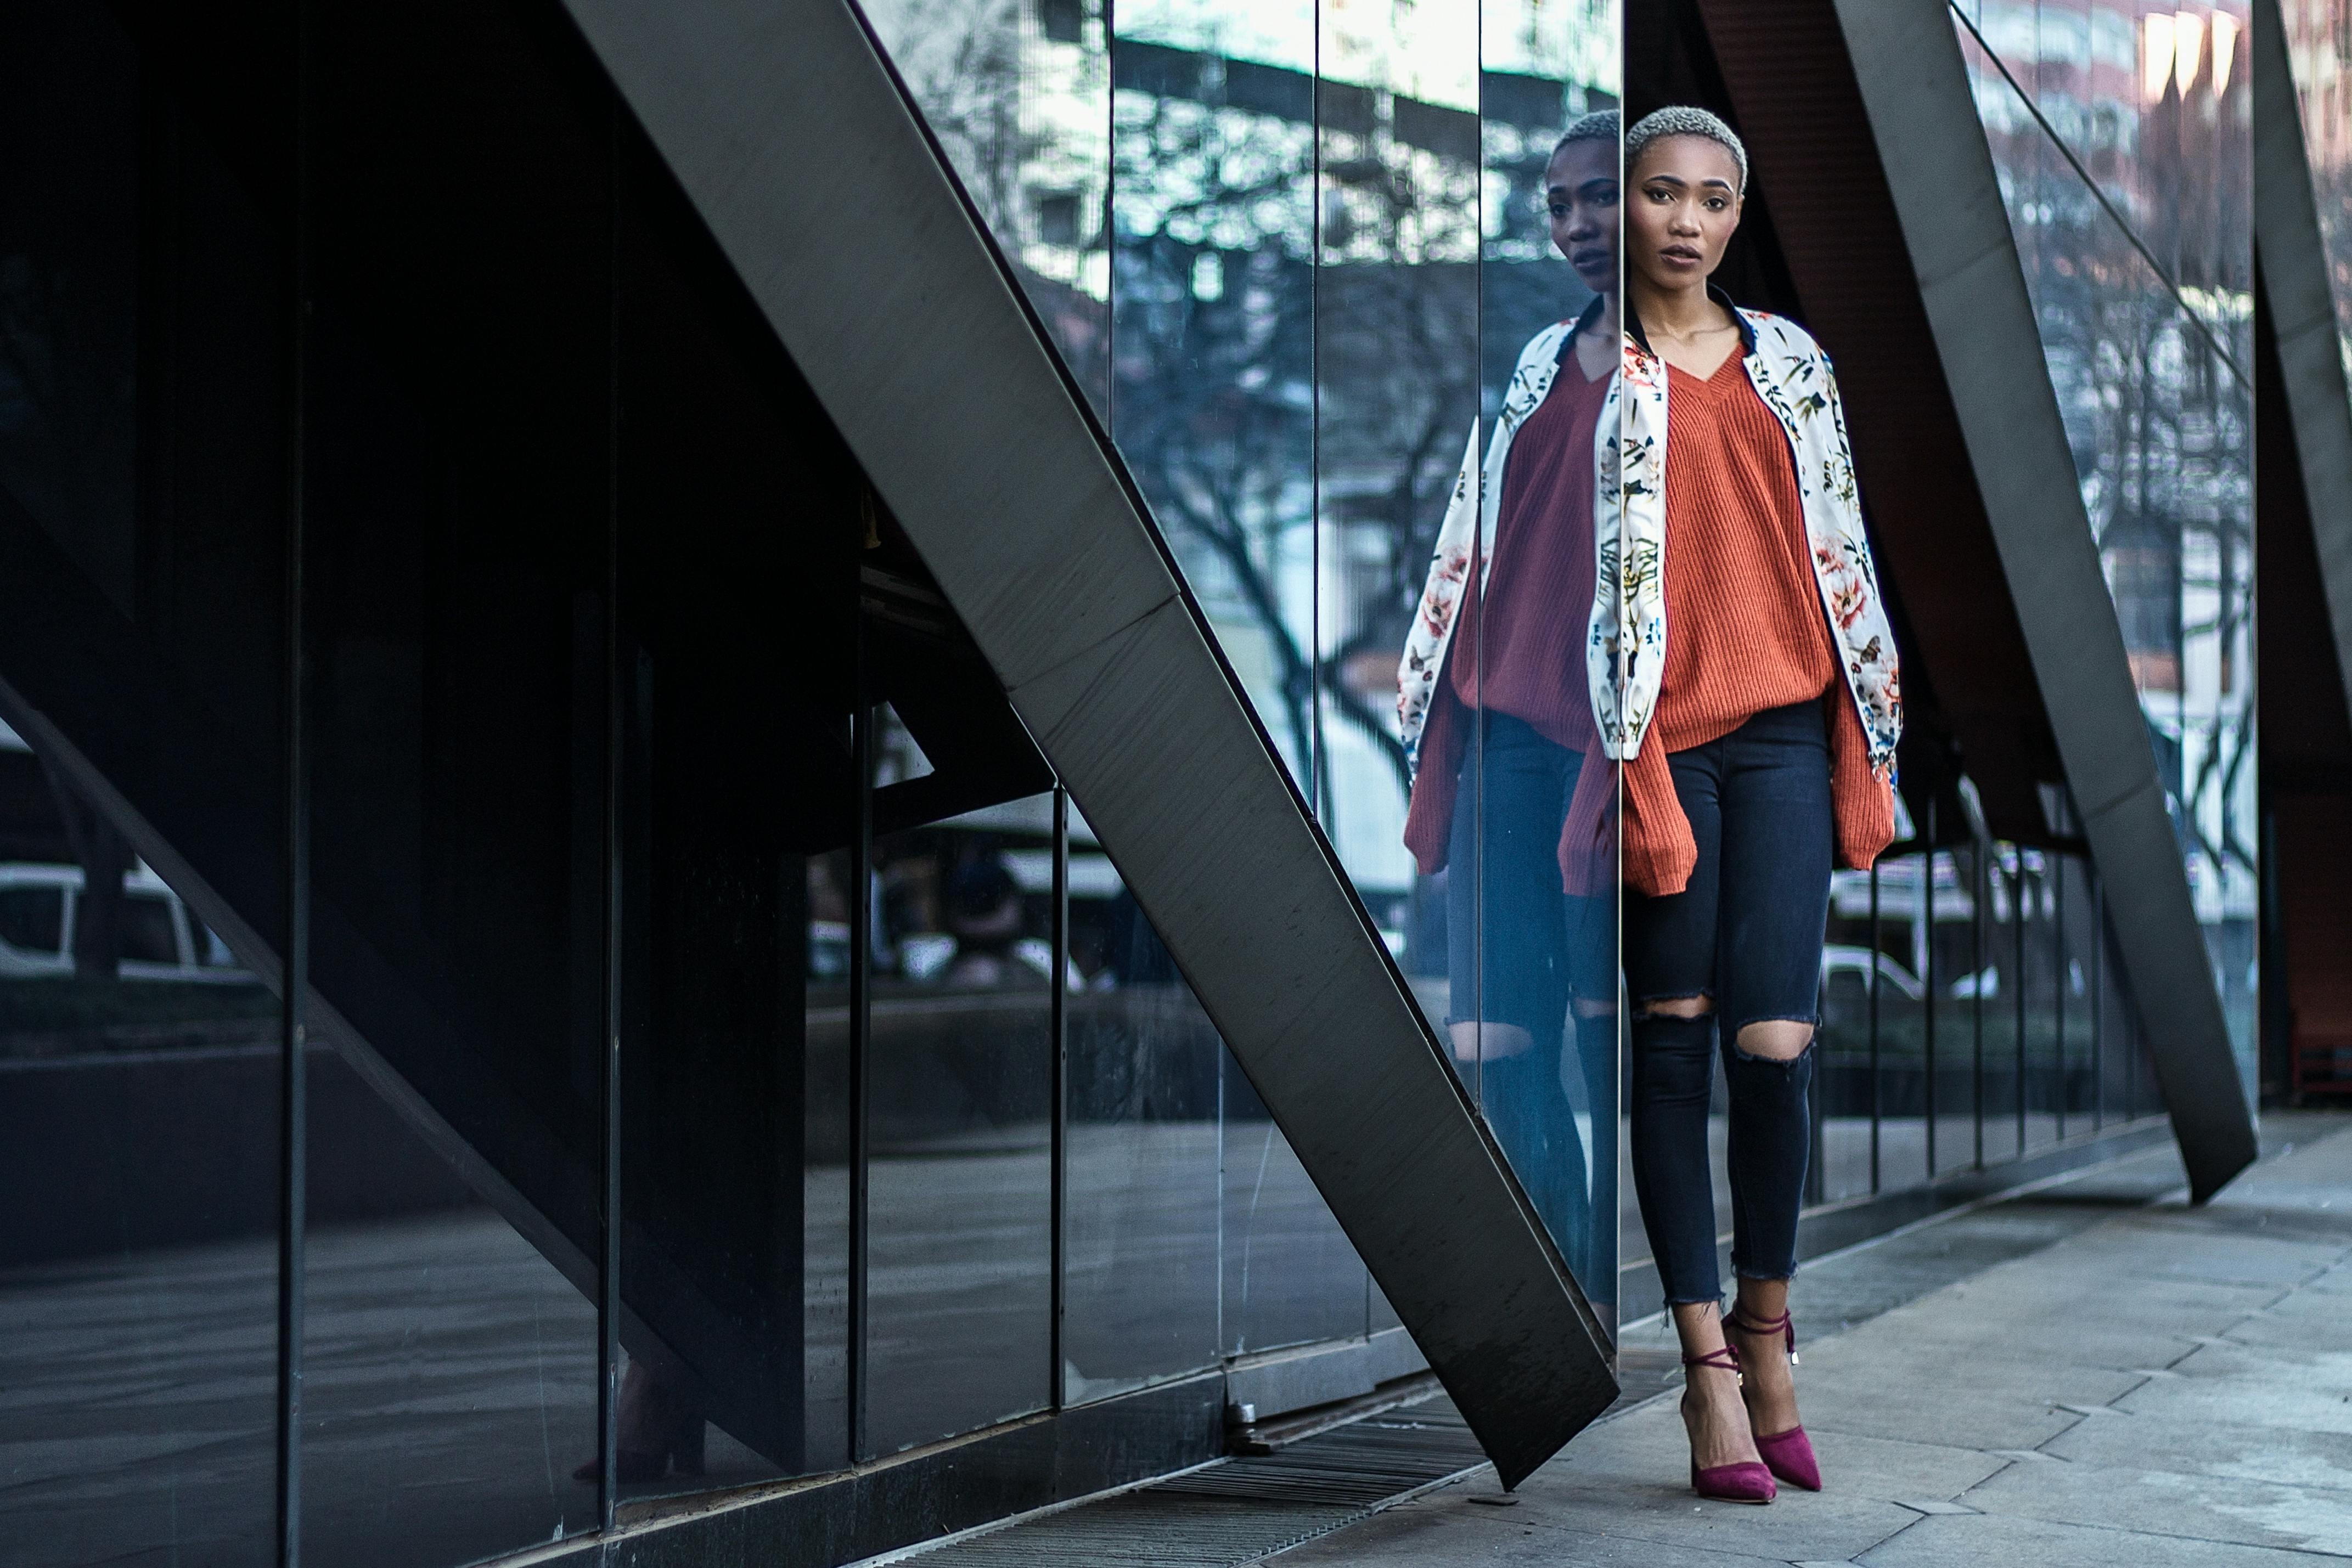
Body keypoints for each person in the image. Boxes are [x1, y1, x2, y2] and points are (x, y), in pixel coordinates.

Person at [1612, 106, 1902, 1504]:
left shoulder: (1791, 363)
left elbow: (1839, 556)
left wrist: (1865, 744)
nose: (1684, 219)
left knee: (1774, 1040)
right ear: (1623, 206)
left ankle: (1770, 1332)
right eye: (1659, 192)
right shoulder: (1579, 376)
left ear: (1738, 215)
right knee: (1671, 1036)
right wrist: (1623, 766)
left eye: (1710, 198)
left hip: (1786, 729)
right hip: (1658, 744)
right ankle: (1702, 1371)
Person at [1398, 108, 1620, 1290]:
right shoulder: (1535, 363)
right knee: (1493, 1037)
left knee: (1607, 1034)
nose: (1578, 222)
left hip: (1614, 756)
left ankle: (1611, 1297)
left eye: (1600, 195)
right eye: (1559, 201)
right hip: (1504, 741)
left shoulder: (1688, 372)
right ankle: (1558, 1297)